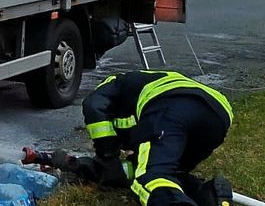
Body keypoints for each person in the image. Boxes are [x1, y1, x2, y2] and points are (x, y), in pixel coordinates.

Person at [82, 70, 234, 206]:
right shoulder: (137, 91)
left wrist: (108, 156)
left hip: (170, 104)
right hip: (218, 115)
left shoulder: (113, 84)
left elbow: (93, 106)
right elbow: (142, 157)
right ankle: (210, 195)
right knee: (170, 174)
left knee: (151, 177)